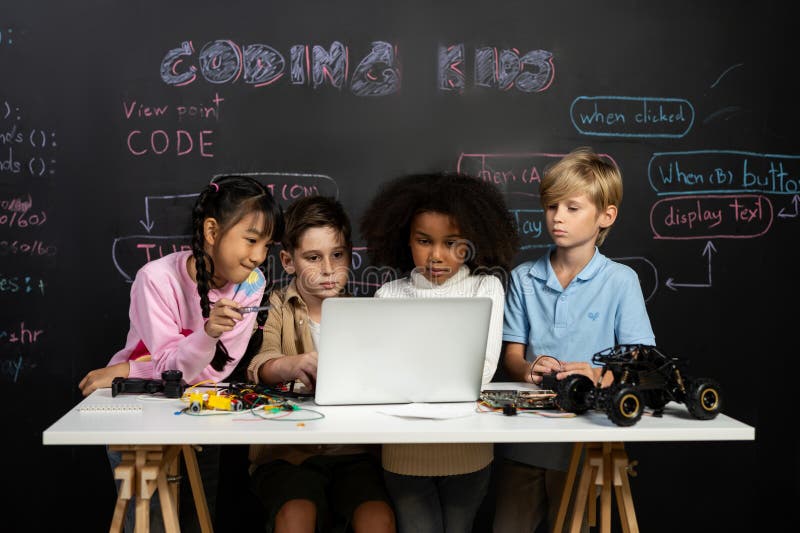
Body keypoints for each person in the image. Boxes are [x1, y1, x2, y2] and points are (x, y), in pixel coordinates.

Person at [78, 175, 284, 532]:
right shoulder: (156, 279)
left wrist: (130, 370)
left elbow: (213, 373)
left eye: (266, 245)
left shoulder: (252, 284)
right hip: (137, 407)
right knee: (150, 522)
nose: (259, 257)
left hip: (198, 408)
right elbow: (173, 370)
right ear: (212, 231)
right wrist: (205, 335)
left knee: (194, 518)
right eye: (251, 240)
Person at [492, 147, 656, 533]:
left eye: (572, 207)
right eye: (551, 206)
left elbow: (640, 361)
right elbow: (512, 356)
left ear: (606, 216)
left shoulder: (621, 281)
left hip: (589, 439)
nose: (557, 217)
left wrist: (598, 375)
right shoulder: (523, 278)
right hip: (526, 439)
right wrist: (529, 369)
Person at [359, 172, 520, 533]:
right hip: (403, 451)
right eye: (424, 241)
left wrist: (411, 375)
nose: (436, 255)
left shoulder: (486, 288)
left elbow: (481, 371)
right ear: (406, 238)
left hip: (469, 448)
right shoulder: (388, 296)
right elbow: (382, 378)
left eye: (451, 243)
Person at [246, 195, 396, 533]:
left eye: (337, 255)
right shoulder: (275, 306)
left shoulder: (366, 312)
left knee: (377, 518)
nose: (328, 269)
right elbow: (260, 364)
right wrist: (290, 365)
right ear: (288, 261)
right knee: (296, 513)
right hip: (289, 454)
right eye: (313, 258)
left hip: (353, 452)